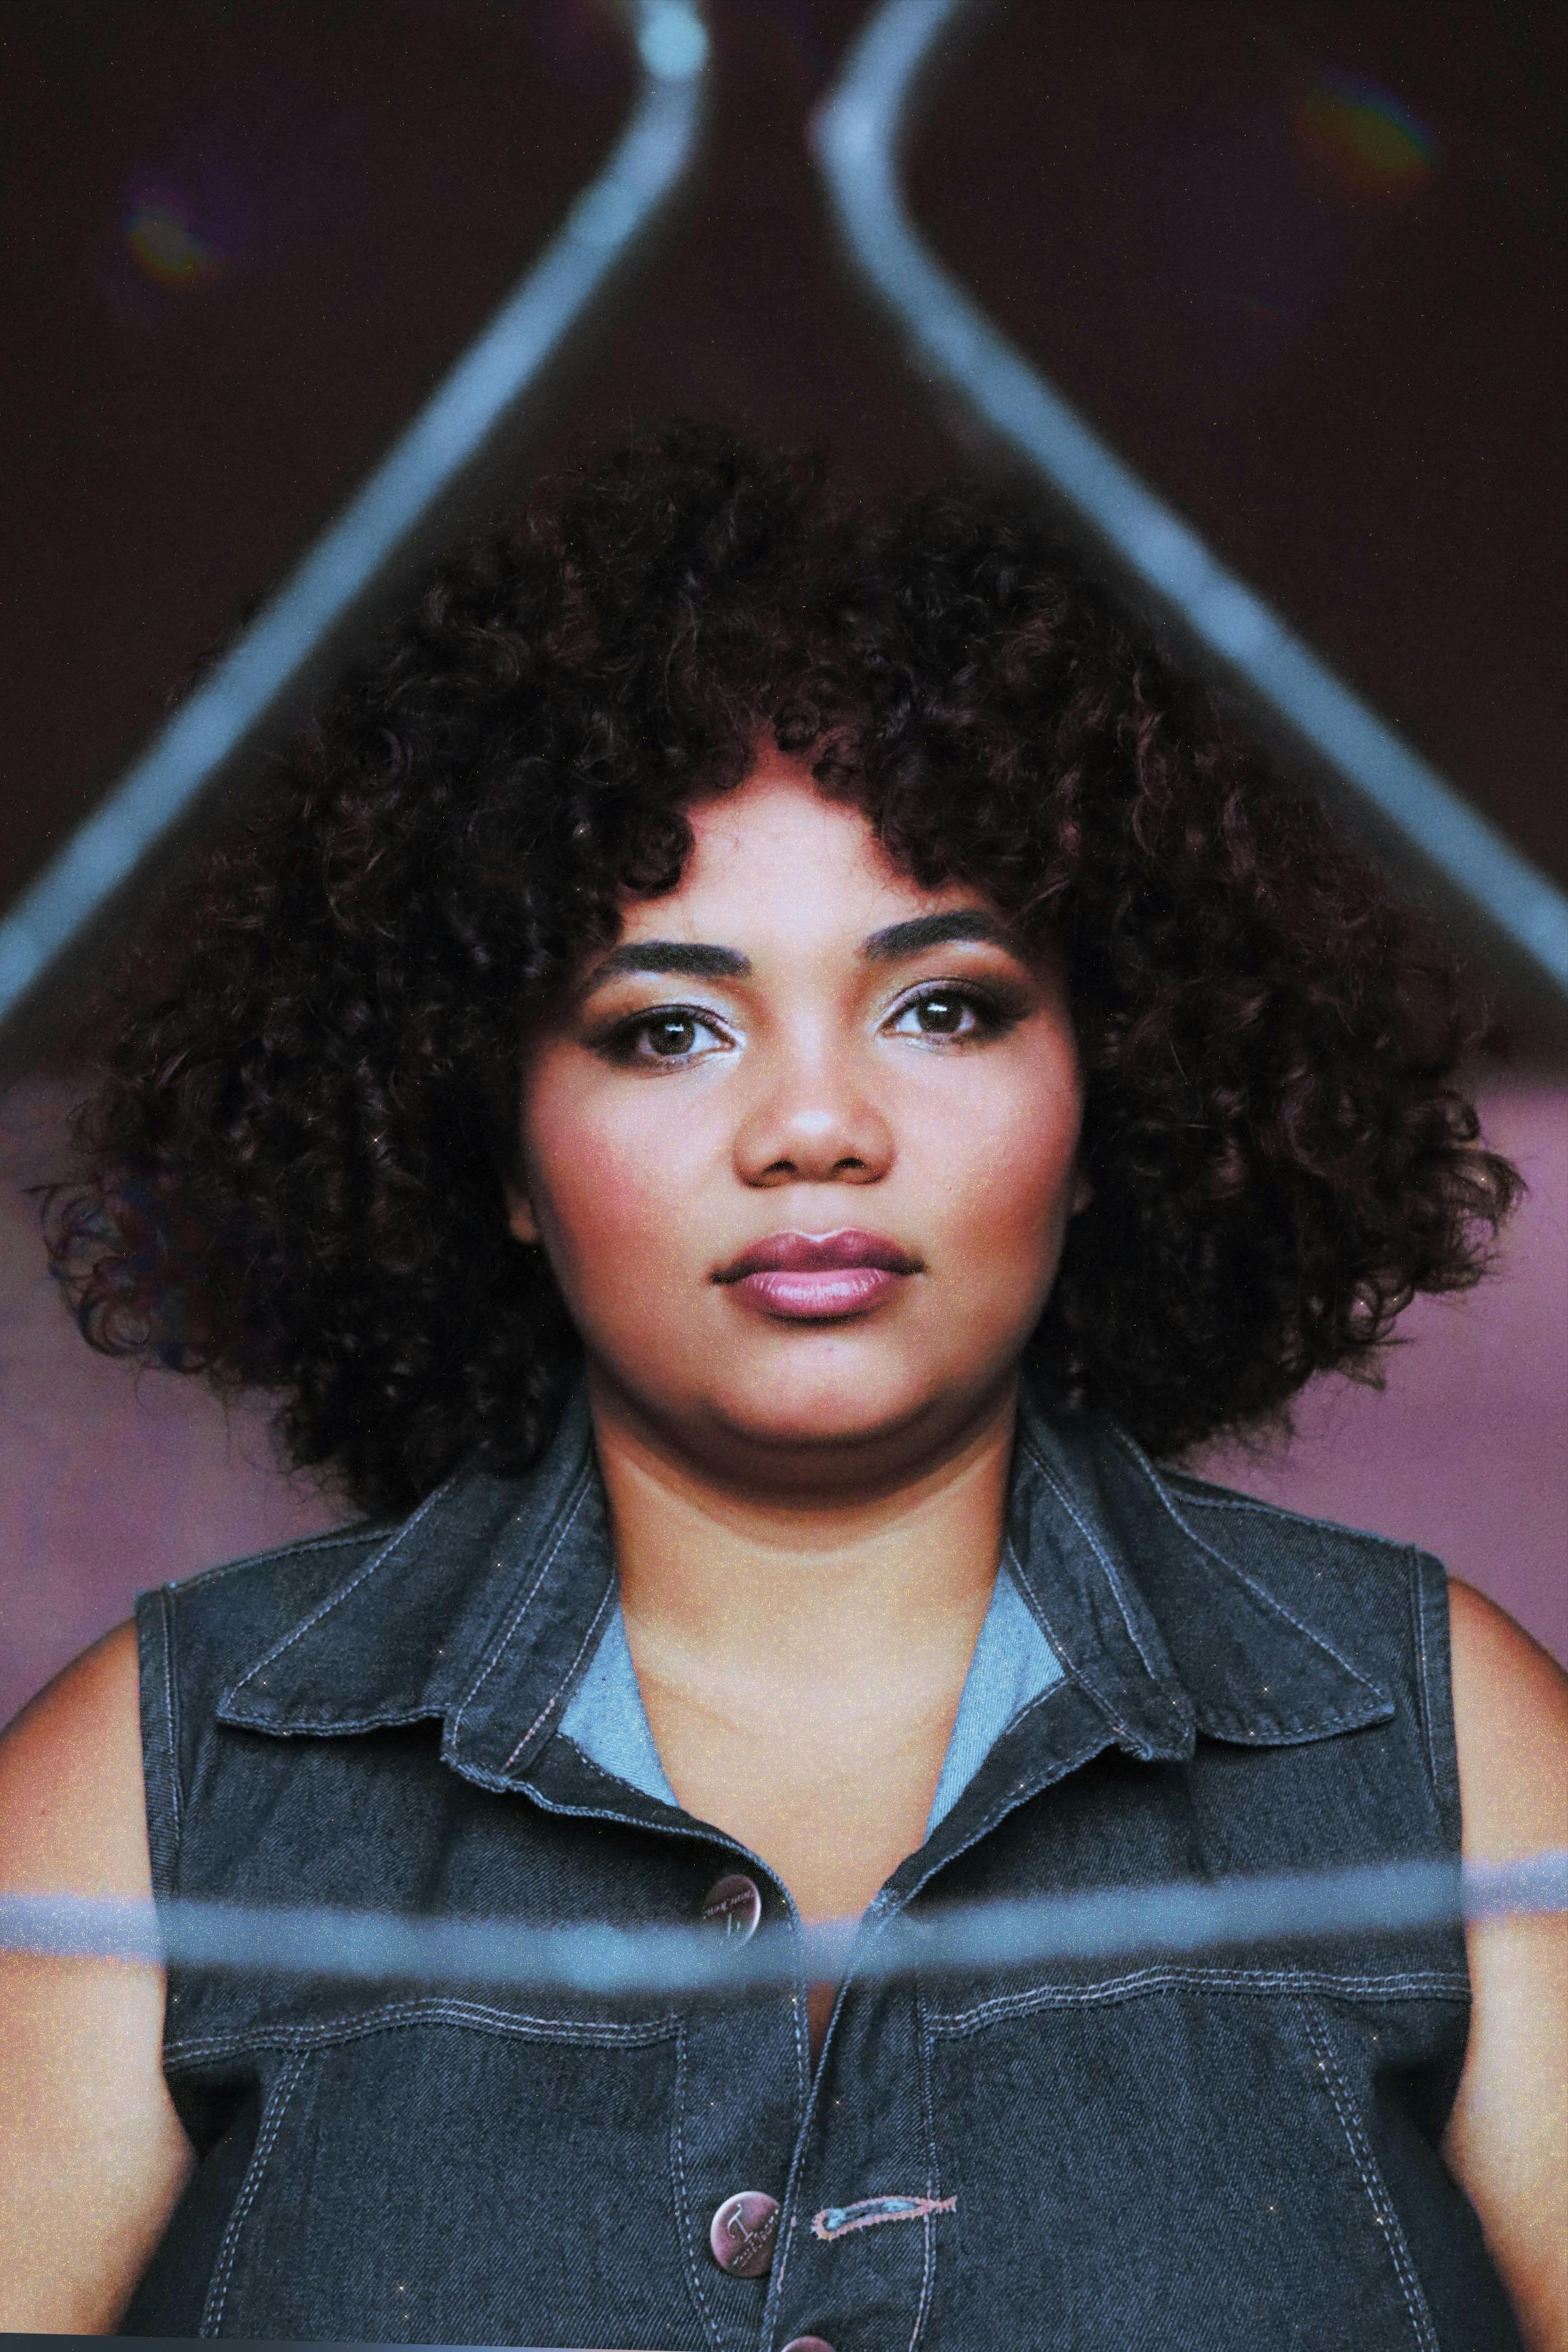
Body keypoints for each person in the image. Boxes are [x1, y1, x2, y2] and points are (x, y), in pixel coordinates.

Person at [0, 427, 1562, 2348]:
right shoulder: (152, 1791)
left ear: (1105, 1103)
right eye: (668, 1024)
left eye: (944, 1003)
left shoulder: (1440, 1745)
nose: (814, 1125)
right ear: (494, 1145)